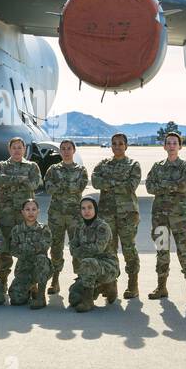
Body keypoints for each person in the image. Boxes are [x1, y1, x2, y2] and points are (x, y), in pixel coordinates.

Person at [145, 132, 186, 302]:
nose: (172, 145)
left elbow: (183, 185)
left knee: (184, 252)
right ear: (164, 146)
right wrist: (170, 186)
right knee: (162, 252)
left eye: (175, 143)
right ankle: (161, 288)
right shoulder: (157, 166)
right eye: (169, 143)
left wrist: (162, 185)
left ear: (180, 146)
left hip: (181, 218)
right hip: (160, 217)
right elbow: (149, 187)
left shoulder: (185, 166)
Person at [90, 132, 142, 299]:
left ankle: (133, 285)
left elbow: (130, 186)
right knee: (108, 250)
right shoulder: (103, 165)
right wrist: (117, 183)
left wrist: (109, 184)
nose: (117, 146)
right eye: (114, 143)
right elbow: (96, 182)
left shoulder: (133, 164)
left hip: (127, 215)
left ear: (126, 146)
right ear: (111, 146)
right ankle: (111, 285)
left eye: (120, 143)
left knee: (129, 249)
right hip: (107, 214)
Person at [0, 136, 42, 295]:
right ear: (9, 149)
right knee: (4, 250)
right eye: (14, 147)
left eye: (20, 147)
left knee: (27, 247)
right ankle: (3, 281)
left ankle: (29, 281)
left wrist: (11, 180)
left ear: (24, 149)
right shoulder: (1, 166)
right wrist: (22, 179)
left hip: (26, 217)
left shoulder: (32, 166)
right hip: (5, 216)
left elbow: (35, 183)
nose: (17, 150)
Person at [42, 138, 87, 296]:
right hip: (56, 214)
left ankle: (80, 278)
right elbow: (48, 187)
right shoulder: (53, 169)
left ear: (74, 151)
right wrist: (69, 186)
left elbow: (80, 186)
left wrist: (60, 186)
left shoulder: (81, 170)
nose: (66, 151)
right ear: (59, 151)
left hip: (75, 215)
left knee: (77, 247)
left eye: (69, 148)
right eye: (63, 148)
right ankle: (55, 279)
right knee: (55, 247)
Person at [67, 196, 120, 313]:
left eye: (90, 208)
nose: (86, 211)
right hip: (88, 270)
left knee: (88, 262)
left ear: (95, 209)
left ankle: (90, 300)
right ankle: (100, 287)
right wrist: (78, 250)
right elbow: (72, 247)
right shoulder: (79, 227)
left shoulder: (102, 227)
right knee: (74, 298)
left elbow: (96, 249)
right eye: (83, 208)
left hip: (107, 267)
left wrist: (78, 250)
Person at [8, 198, 52, 309]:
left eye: (34, 209)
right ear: (22, 212)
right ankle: (31, 288)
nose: (31, 212)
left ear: (38, 211)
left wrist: (23, 248)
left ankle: (40, 297)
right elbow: (13, 249)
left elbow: (44, 246)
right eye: (27, 209)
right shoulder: (16, 230)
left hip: (40, 269)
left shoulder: (44, 229)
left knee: (41, 258)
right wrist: (33, 247)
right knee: (16, 299)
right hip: (24, 269)